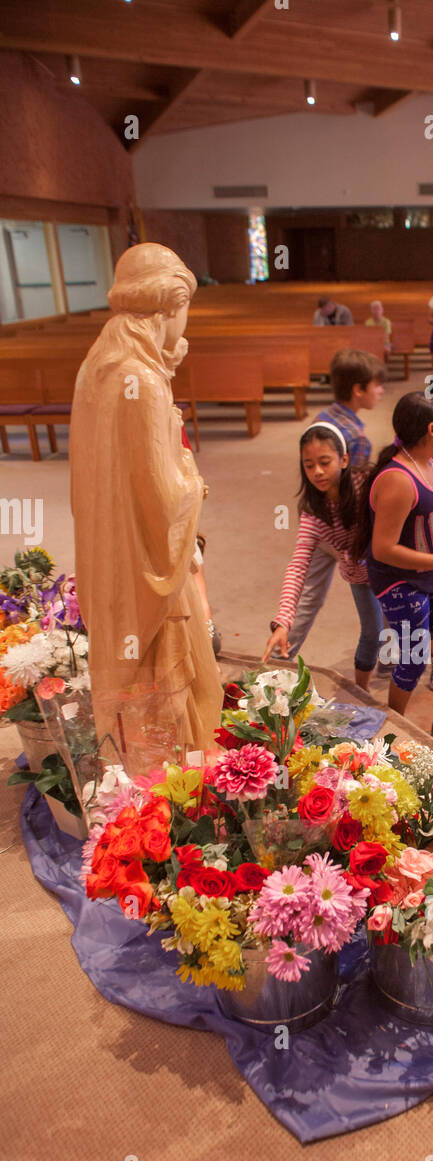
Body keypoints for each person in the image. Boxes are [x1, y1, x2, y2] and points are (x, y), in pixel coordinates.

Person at [69, 242, 223, 774]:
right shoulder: (145, 384)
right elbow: (164, 495)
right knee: (196, 689)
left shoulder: (101, 363)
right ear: (168, 308)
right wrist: (195, 479)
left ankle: (145, 774)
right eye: (184, 313)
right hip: (152, 563)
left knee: (145, 687)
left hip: (115, 556)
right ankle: (176, 790)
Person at [352, 392, 433, 743]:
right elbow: (382, 549)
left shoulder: (431, 462)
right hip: (399, 581)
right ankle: (392, 730)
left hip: (431, 573)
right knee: (414, 656)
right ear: (431, 429)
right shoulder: (398, 478)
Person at [283, 349, 386, 661]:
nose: (380, 391)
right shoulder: (357, 438)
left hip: (319, 520)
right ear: (358, 389)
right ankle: (387, 659)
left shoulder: (322, 419)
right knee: (375, 593)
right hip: (339, 531)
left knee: (310, 594)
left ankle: (283, 653)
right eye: (376, 385)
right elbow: (356, 503)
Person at [262, 423, 382, 690]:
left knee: (400, 625)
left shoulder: (368, 483)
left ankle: (393, 662)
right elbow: (297, 567)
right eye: (308, 465)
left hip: (388, 568)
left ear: (344, 459)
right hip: (358, 574)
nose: (317, 471)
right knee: (372, 631)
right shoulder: (312, 513)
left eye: (325, 462)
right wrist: (282, 622)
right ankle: (361, 693)